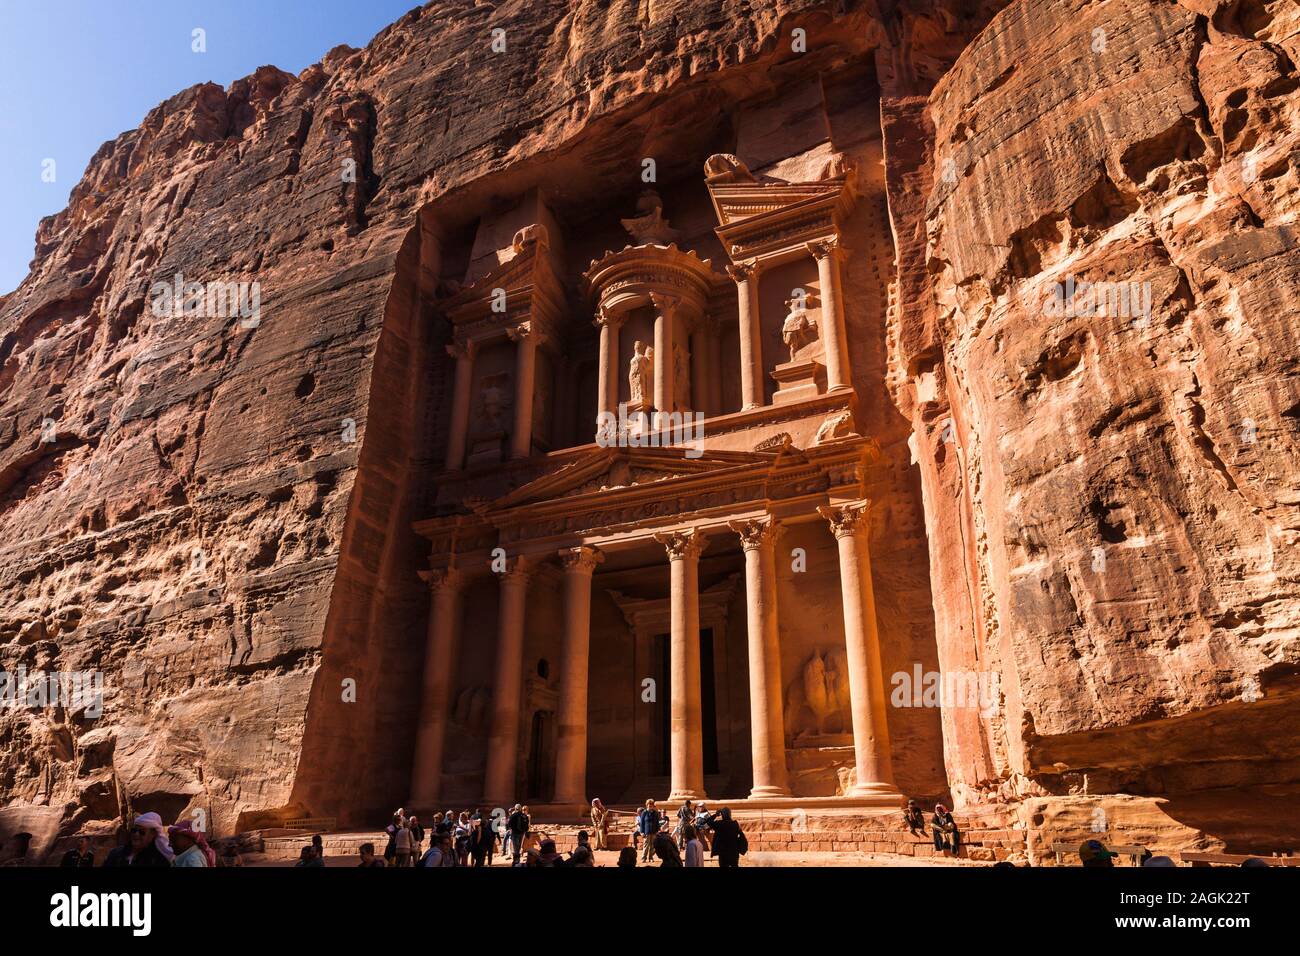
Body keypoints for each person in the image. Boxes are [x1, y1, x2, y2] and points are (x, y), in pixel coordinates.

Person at [104, 813, 172, 867]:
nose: (136, 834)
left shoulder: (158, 861)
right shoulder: (116, 853)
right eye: (134, 830)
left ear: (153, 834)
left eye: (141, 832)